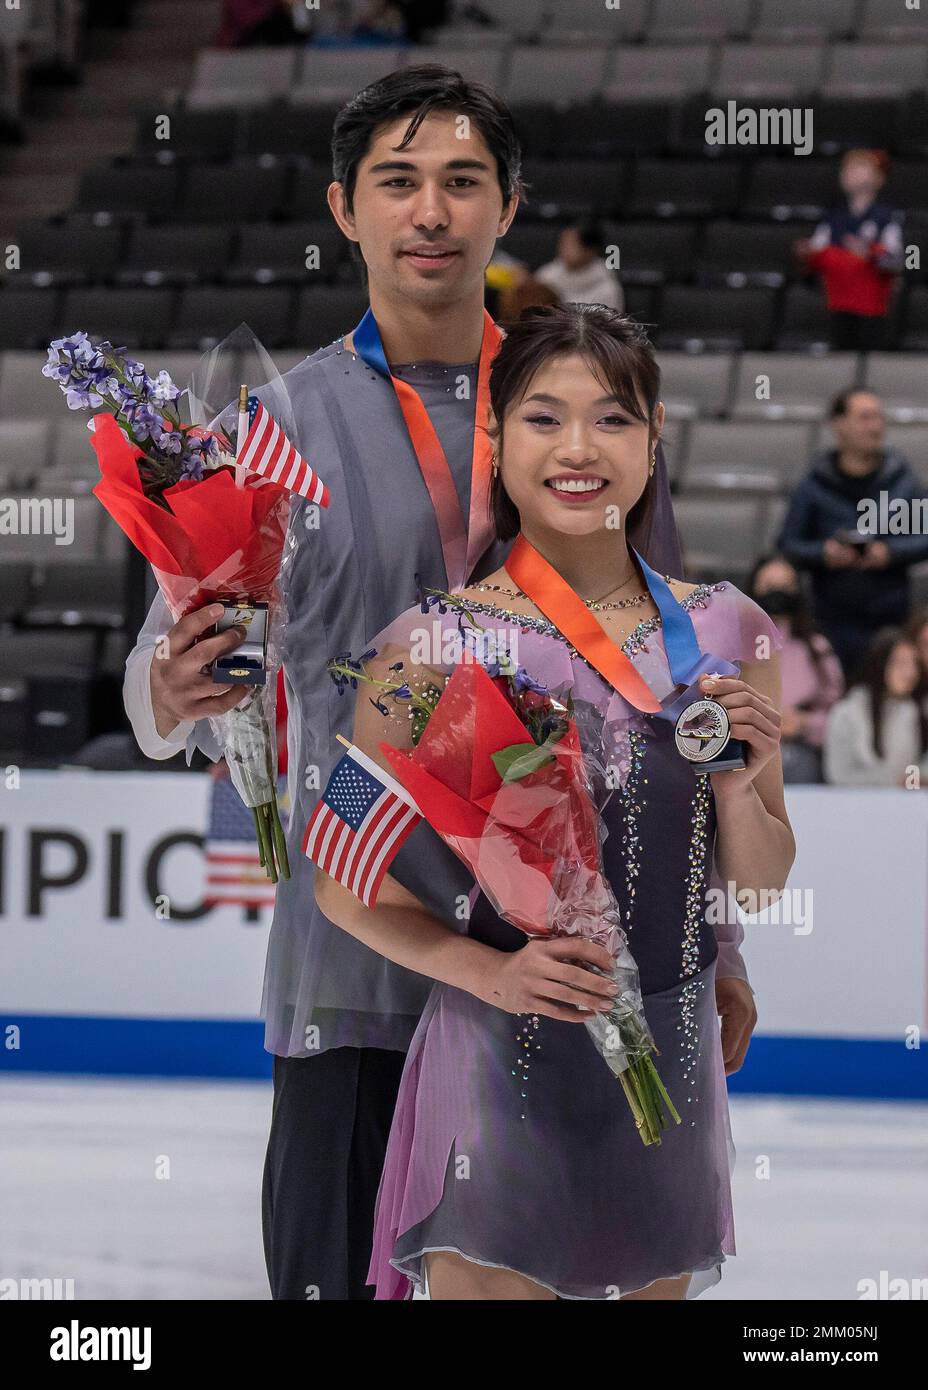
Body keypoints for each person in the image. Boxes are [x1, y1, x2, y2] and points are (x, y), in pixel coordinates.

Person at [122, 64, 524, 1299]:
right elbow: (155, 680)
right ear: (345, 208)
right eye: (397, 182)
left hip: (550, 960)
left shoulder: (576, 413)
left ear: (508, 206)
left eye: (462, 181)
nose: (431, 211)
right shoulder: (268, 429)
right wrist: (176, 689)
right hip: (347, 970)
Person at [315, 303, 796, 1300]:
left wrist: (735, 789)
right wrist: (492, 976)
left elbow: (756, 882)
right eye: (544, 417)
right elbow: (342, 884)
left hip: (671, 1061)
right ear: (497, 441)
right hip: (500, 1061)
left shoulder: (729, 630)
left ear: (654, 439)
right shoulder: (422, 645)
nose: (579, 448)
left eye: (613, 418)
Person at [776, 388, 928, 684]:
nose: (875, 426)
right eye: (865, 417)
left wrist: (890, 553)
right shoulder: (814, 484)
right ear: (839, 425)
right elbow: (788, 544)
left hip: (890, 619)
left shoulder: (903, 482)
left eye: (879, 417)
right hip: (830, 620)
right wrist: (825, 553)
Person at [747, 554, 845, 784]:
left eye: (785, 587)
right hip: (745, 748)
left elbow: (839, 713)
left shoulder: (816, 648)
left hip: (800, 750)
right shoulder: (733, 644)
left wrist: (804, 722)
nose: (777, 594)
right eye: (768, 586)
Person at [794, 148, 904, 351]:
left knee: (871, 352)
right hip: (839, 303)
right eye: (847, 168)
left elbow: (896, 261)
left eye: (860, 167)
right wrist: (806, 252)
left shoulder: (887, 218)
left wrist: (870, 252)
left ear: (879, 178)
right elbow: (815, 253)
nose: (851, 172)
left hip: (872, 305)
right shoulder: (833, 218)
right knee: (841, 353)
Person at [823, 628, 928, 788]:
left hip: (907, 800)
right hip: (858, 799)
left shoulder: (916, 709)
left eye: (914, 664)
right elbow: (838, 774)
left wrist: (918, 777)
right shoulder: (847, 712)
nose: (910, 672)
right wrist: (895, 780)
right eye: (900, 663)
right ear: (880, 664)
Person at [535, 219, 624, 313]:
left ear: (590, 250)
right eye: (563, 243)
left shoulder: (608, 289)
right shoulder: (546, 275)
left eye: (571, 245)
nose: (564, 249)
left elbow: (607, 321)